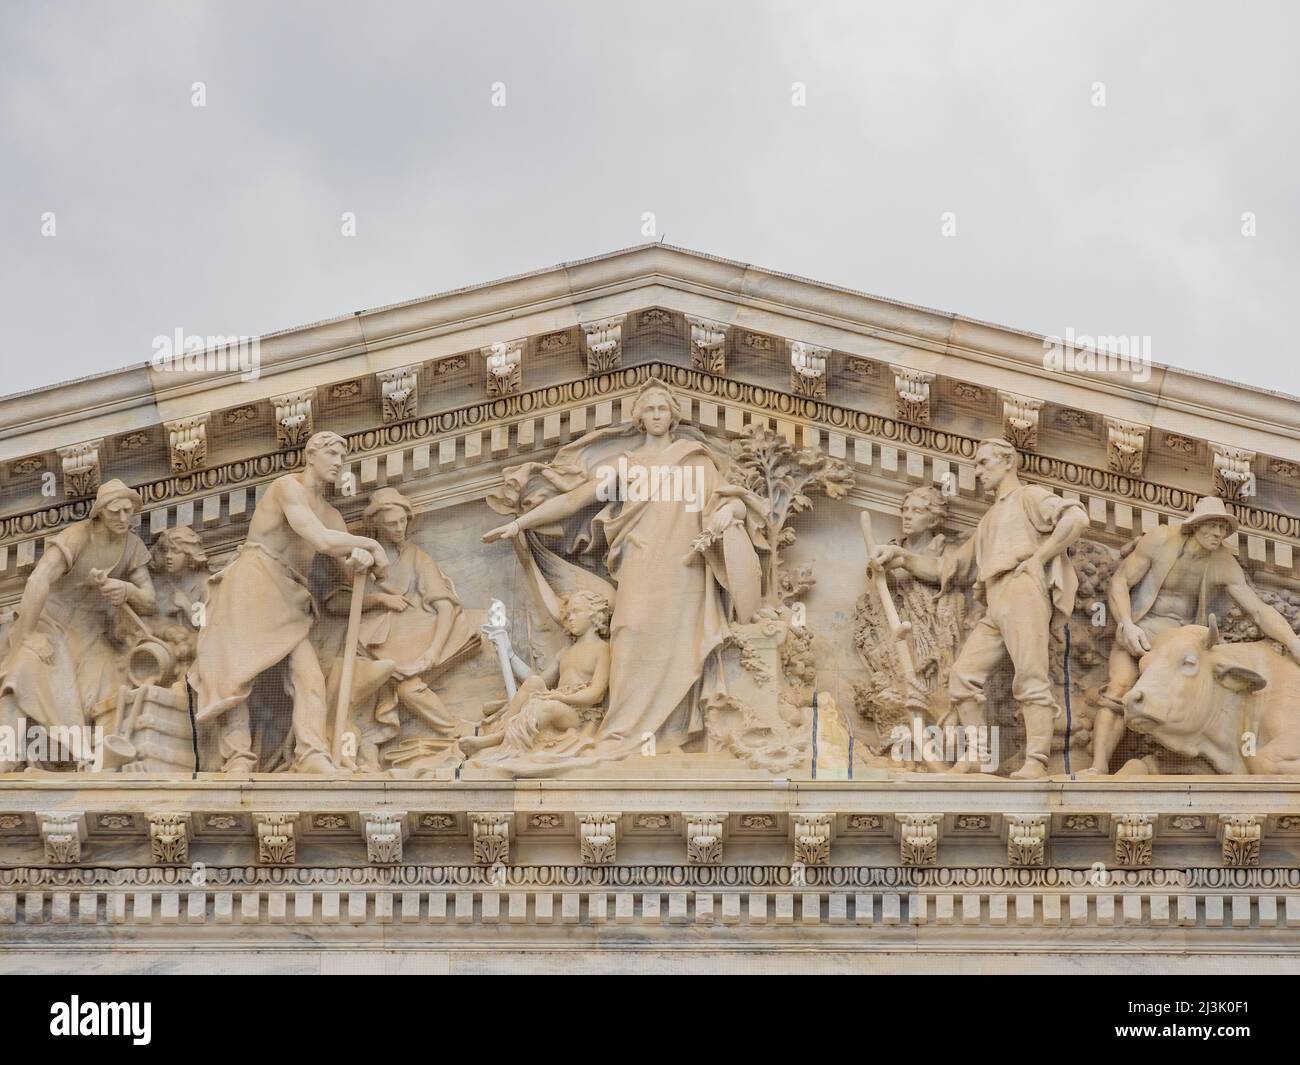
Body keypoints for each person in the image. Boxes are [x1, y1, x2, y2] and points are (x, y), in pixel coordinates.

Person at [481, 377, 768, 760]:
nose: (656, 415)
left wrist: (728, 515)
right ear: (638, 418)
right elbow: (574, 500)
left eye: (662, 409)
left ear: (673, 416)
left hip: (685, 569)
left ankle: (667, 735)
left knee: (681, 644)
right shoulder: (626, 467)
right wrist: (519, 524)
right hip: (638, 563)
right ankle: (622, 734)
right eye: (648, 409)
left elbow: (730, 504)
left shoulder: (694, 460)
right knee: (629, 631)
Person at [875, 439, 1088, 778]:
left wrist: (1039, 559)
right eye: (976, 465)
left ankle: (1036, 761)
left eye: (984, 463)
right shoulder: (989, 519)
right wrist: (902, 557)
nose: (978, 472)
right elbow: (953, 566)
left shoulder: (1028, 497)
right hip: (995, 599)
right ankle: (976, 756)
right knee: (962, 677)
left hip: (1021, 589)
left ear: (1009, 462)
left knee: (1031, 675)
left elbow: (1076, 518)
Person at [187, 431, 387, 773]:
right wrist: (372, 546)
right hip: (254, 580)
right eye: (332, 454)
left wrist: (361, 562)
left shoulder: (333, 516)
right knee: (237, 672)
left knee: (308, 674)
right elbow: (322, 541)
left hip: (291, 595)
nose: (339, 462)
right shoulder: (287, 488)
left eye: (343, 456)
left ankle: (311, 753)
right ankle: (237, 758)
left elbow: (347, 569)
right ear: (311, 455)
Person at [1089, 495, 1300, 774]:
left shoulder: (1222, 562)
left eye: (1223, 529)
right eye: (1212, 526)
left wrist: (1292, 641)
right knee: (1120, 688)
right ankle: (1098, 767)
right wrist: (1126, 623)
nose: (1218, 534)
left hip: (1180, 642)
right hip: (1141, 633)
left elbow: (1259, 611)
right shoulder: (1160, 541)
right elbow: (1120, 581)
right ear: (1194, 525)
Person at [0, 479, 156, 769]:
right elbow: (38, 580)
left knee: (111, 688)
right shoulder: (79, 536)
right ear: (100, 513)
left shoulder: (132, 546)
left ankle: (97, 766)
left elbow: (149, 600)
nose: (123, 519)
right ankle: (6, 760)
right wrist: (27, 635)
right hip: (48, 623)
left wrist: (127, 590)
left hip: (93, 634)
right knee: (23, 671)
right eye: (115, 512)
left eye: (128, 512)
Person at [323, 487, 479, 769]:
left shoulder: (416, 556)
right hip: (366, 647)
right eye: (391, 524)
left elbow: (444, 605)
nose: (399, 529)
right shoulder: (359, 558)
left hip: (411, 644)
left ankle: (456, 732)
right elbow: (335, 604)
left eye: (403, 521)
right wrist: (378, 599)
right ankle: (361, 751)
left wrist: (433, 651)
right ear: (376, 525)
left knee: (407, 688)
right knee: (354, 700)